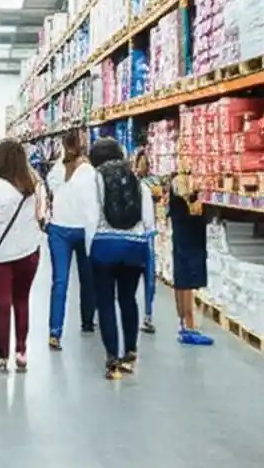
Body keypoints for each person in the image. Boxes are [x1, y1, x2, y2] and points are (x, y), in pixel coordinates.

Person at [0, 139, 46, 373]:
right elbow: (41, 216)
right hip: (29, 252)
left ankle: (3, 356)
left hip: (0, 256)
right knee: (22, 300)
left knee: (2, 303)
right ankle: (21, 352)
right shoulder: (33, 186)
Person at [86, 137, 156, 380]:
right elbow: (149, 222)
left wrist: (90, 246)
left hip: (104, 246)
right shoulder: (138, 181)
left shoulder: (95, 180)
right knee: (128, 299)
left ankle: (112, 358)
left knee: (105, 302)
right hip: (133, 247)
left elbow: (91, 216)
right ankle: (131, 352)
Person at [45, 130, 98, 350]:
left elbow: (51, 187)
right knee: (88, 279)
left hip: (58, 229)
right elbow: (92, 203)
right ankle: (87, 321)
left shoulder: (56, 170)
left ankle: (55, 332)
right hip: (82, 229)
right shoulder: (87, 171)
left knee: (60, 281)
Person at [168, 172, 214, 346]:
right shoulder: (180, 199)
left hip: (181, 240)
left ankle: (184, 324)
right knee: (186, 279)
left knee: (181, 278)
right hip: (188, 242)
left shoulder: (176, 200)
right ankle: (189, 324)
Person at [131, 141, 158, 335]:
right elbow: (149, 219)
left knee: (130, 281)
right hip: (144, 238)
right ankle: (147, 315)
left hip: (130, 237)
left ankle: (138, 314)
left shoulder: (132, 186)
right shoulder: (145, 189)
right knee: (148, 277)